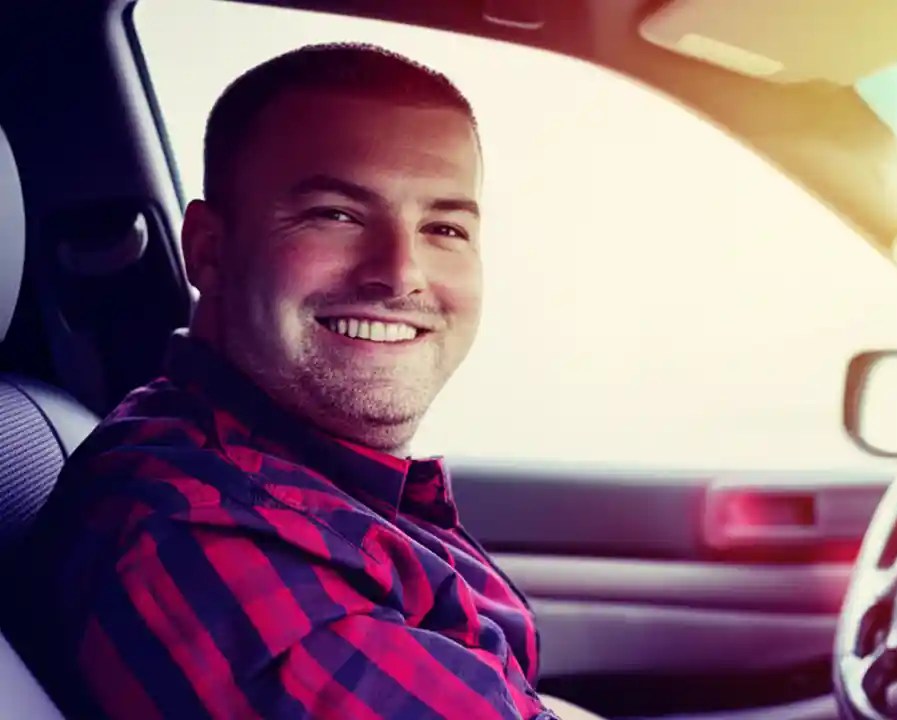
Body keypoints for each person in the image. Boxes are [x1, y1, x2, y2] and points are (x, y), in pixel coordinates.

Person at [23, 43, 598, 720]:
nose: (401, 273)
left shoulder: (286, 470)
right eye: (337, 214)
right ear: (209, 250)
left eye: (443, 227)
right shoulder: (206, 541)